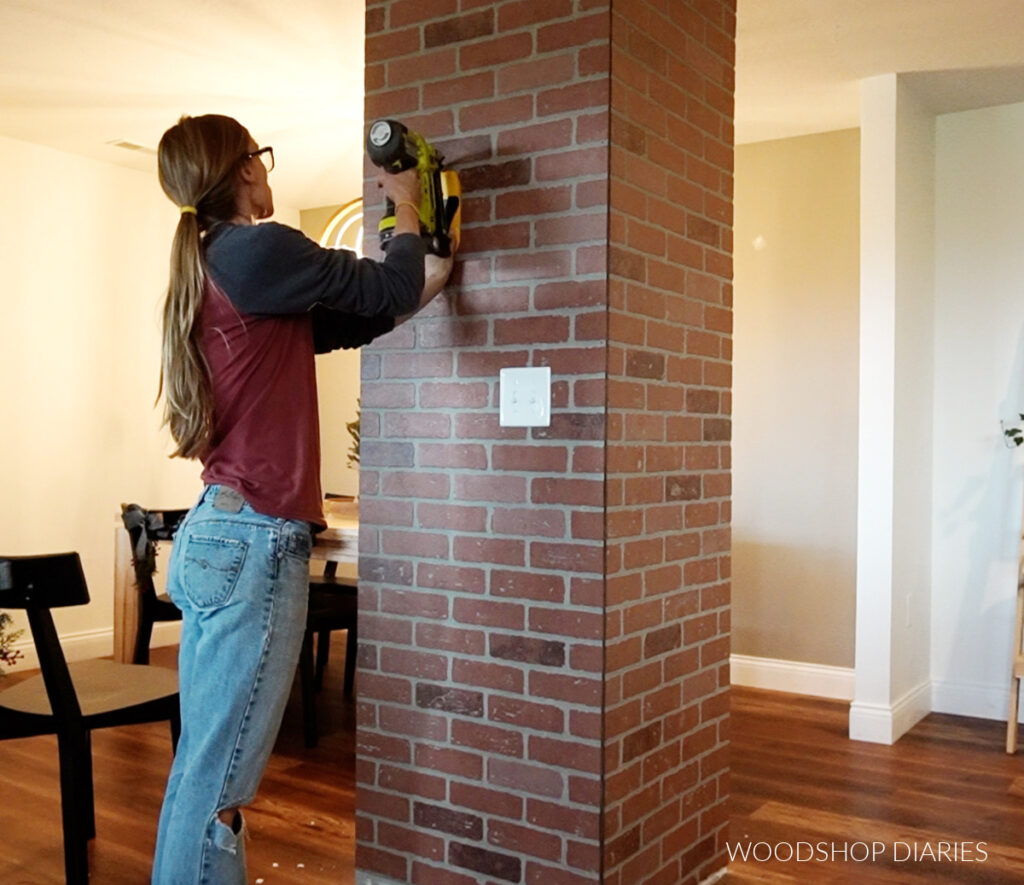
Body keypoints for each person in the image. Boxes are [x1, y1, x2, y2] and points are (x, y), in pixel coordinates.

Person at [150, 113, 453, 884]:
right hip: (251, 540)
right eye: (261, 155)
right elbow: (384, 281)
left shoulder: (225, 263)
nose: (266, 168)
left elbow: (358, 317)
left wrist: (426, 273)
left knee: (203, 775)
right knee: (215, 785)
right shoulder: (258, 246)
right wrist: (405, 203)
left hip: (225, 532)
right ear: (244, 169)